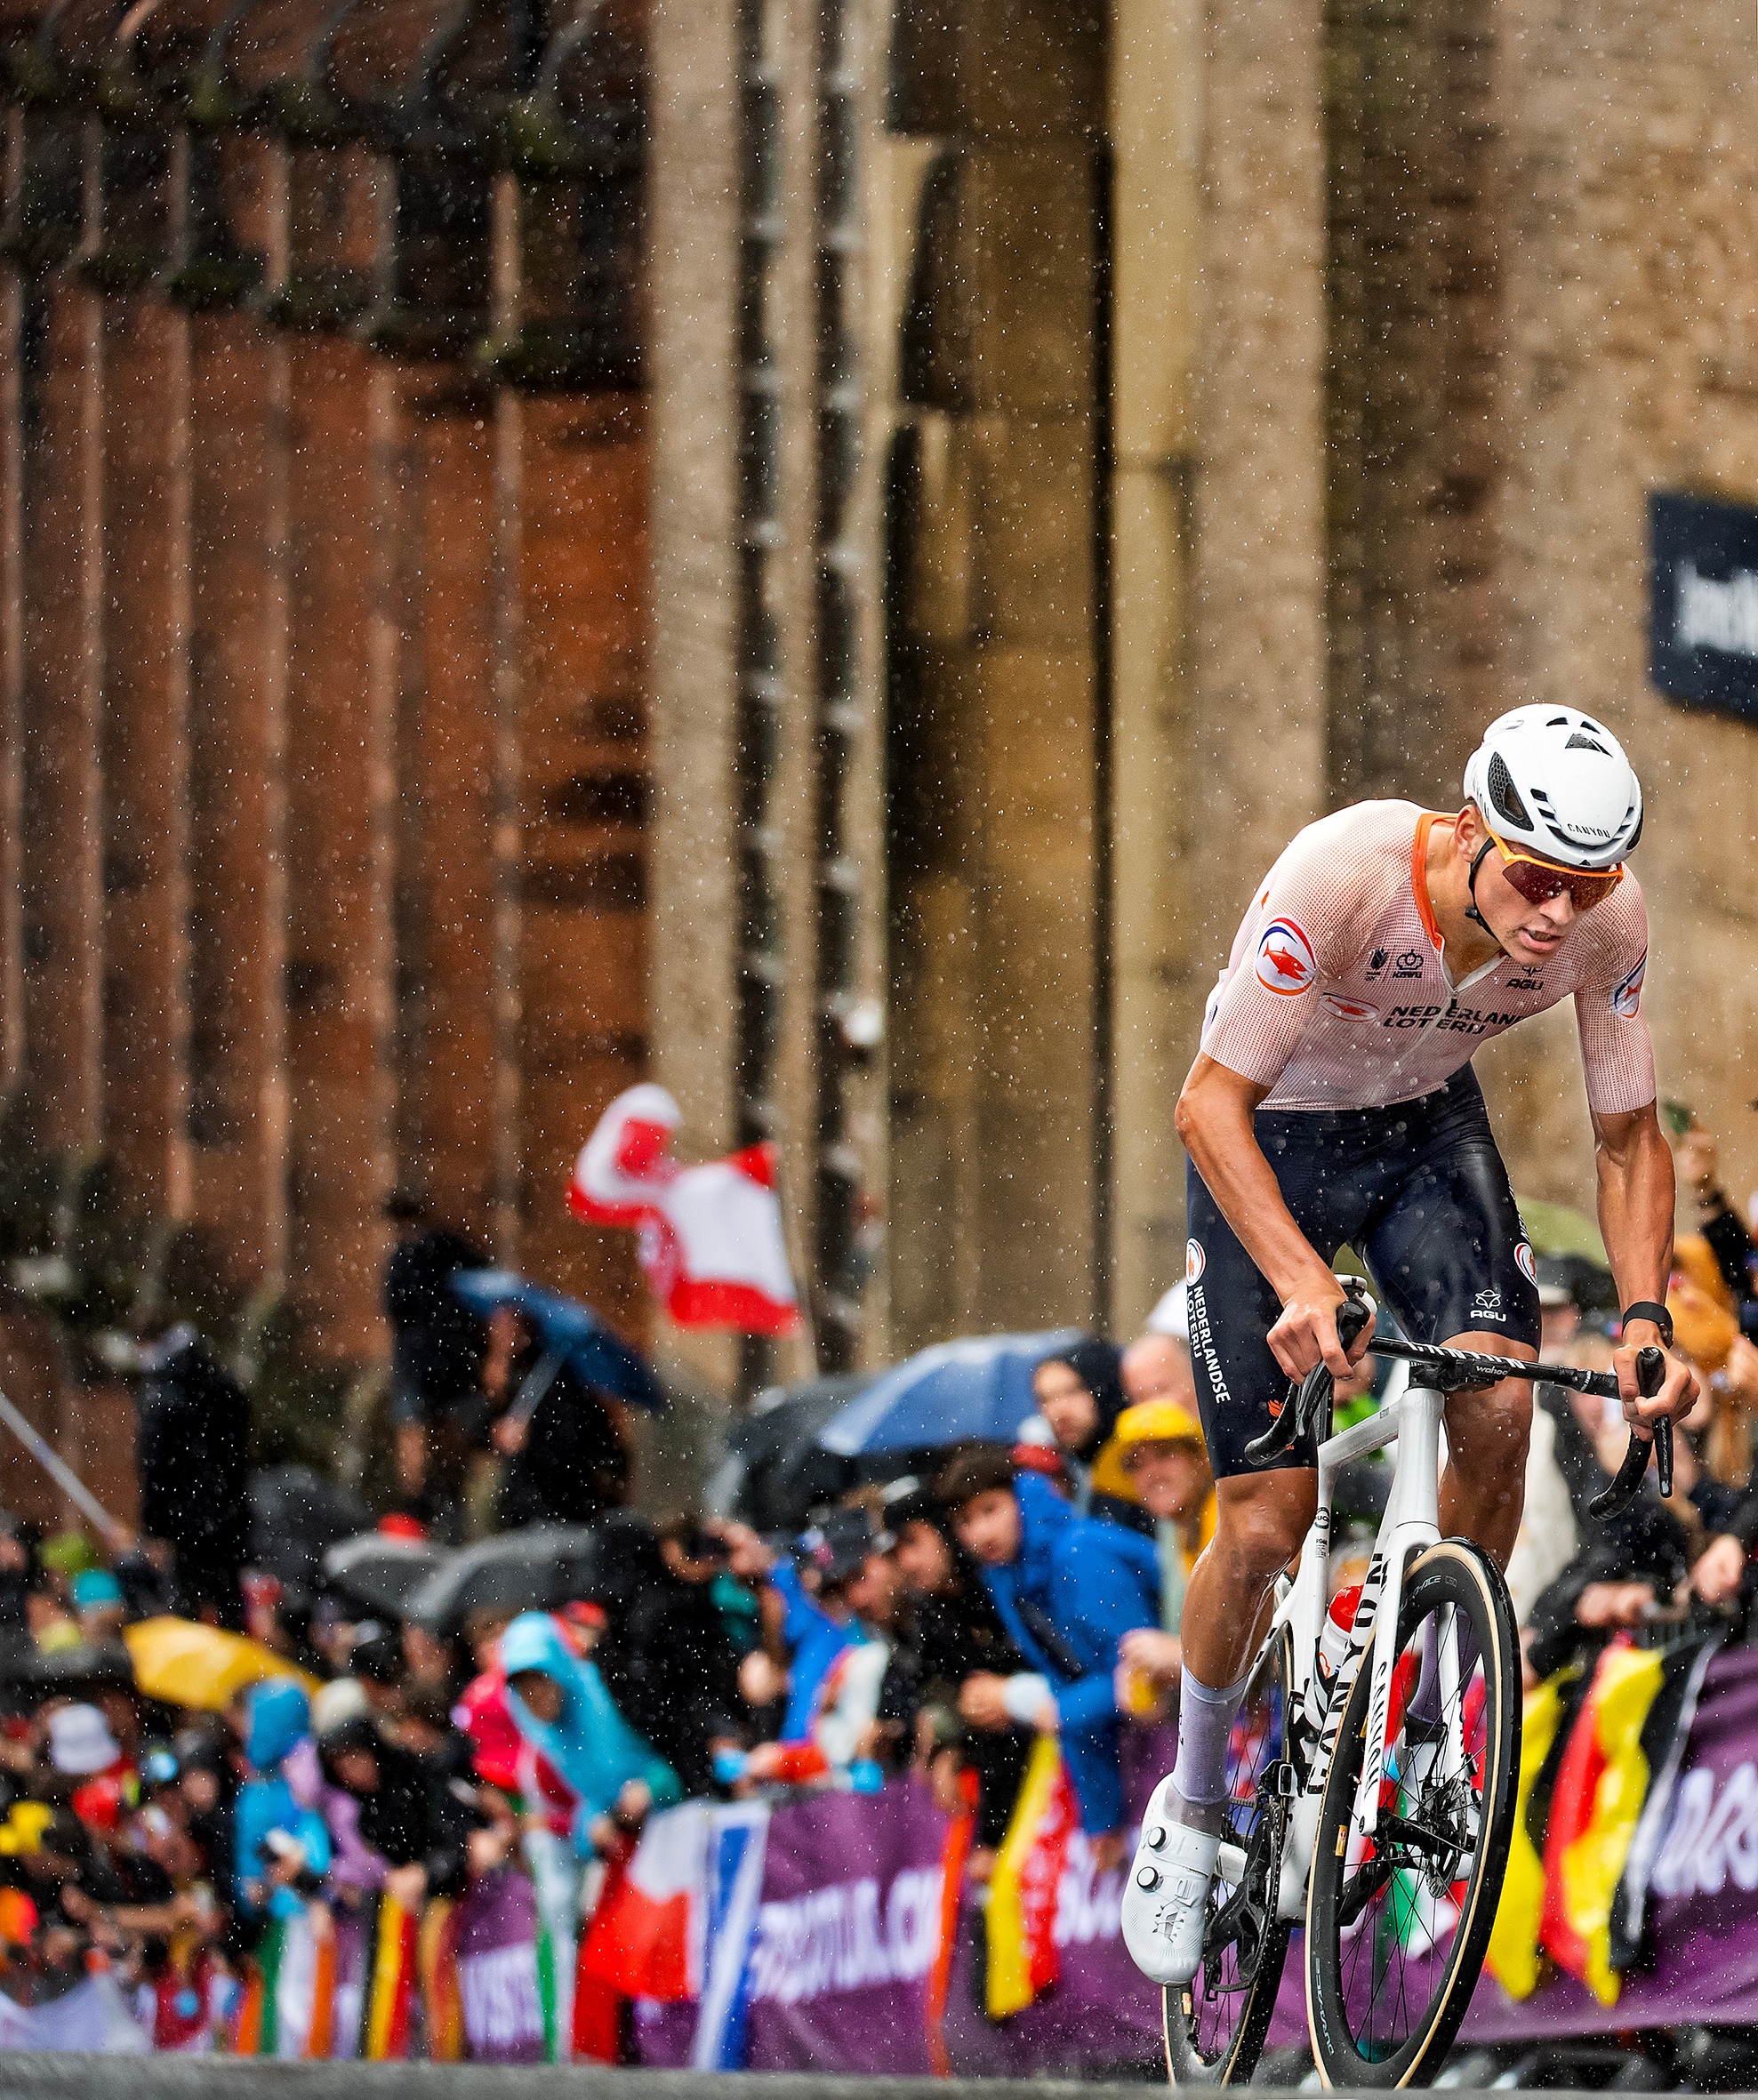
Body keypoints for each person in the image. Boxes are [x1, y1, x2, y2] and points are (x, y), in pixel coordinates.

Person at [1123, 708, 1699, 1988]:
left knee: (1496, 1402)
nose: (1558, 913)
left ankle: (1429, 1719)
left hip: (1425, 1136)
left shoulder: (1605, 920)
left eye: (1587, 882)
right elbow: (1205, 1105)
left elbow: (1627, 1139)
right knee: (1268, 1520)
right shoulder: (1347, 872)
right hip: (1268, 1140)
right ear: (1471, 828)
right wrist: (1297, 1278)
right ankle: (1197, 1805)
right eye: (1535, 878)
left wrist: (1645, 1318)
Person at [937, 1446, 1160, 1853]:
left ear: (1020, 1498)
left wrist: (1036, 1706)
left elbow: (1144, 1678)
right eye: (965, 1521)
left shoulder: (1078, 1552)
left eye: (990, 1510)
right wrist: (1102, 1821)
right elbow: (1067, 1687)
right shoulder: (1005, 1578)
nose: (980, 1533)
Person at [381, 1191, 491, 1527]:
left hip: (420, 1363)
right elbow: (484, 1283)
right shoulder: (452, 1247)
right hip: (455, 1360)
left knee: (414, 1434)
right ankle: (462, 1501)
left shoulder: (403, 1258)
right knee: (463, 1436)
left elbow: (394, 1309)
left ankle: (418, 1506)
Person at [133, 1319, 252, 1629]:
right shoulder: (220, 1381)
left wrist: (155, 1529)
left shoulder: (161, 1393)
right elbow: (237, 1457)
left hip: (185, 1523)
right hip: (227, 1518)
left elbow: (156, 1468)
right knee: (228, 1608)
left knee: (187, 1610)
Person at [1094, 1401, 1216, 1698]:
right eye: (1136, 1464)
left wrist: (1181, 1657)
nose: (1152, 1474)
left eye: (1164, 1454)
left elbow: (1268, 1645)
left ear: (1199, 1459)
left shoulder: (1224, 1516)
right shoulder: (1179, 1531)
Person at [485, 1304, 630, 1531]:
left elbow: (569, 1441)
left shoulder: (555, 1376)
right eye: (496, 1325)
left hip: (554, 1506)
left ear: (526, 1329)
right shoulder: (510, 1374)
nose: (499, 1333)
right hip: (520, 1504)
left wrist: (531, 1438)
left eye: (509, 1325)